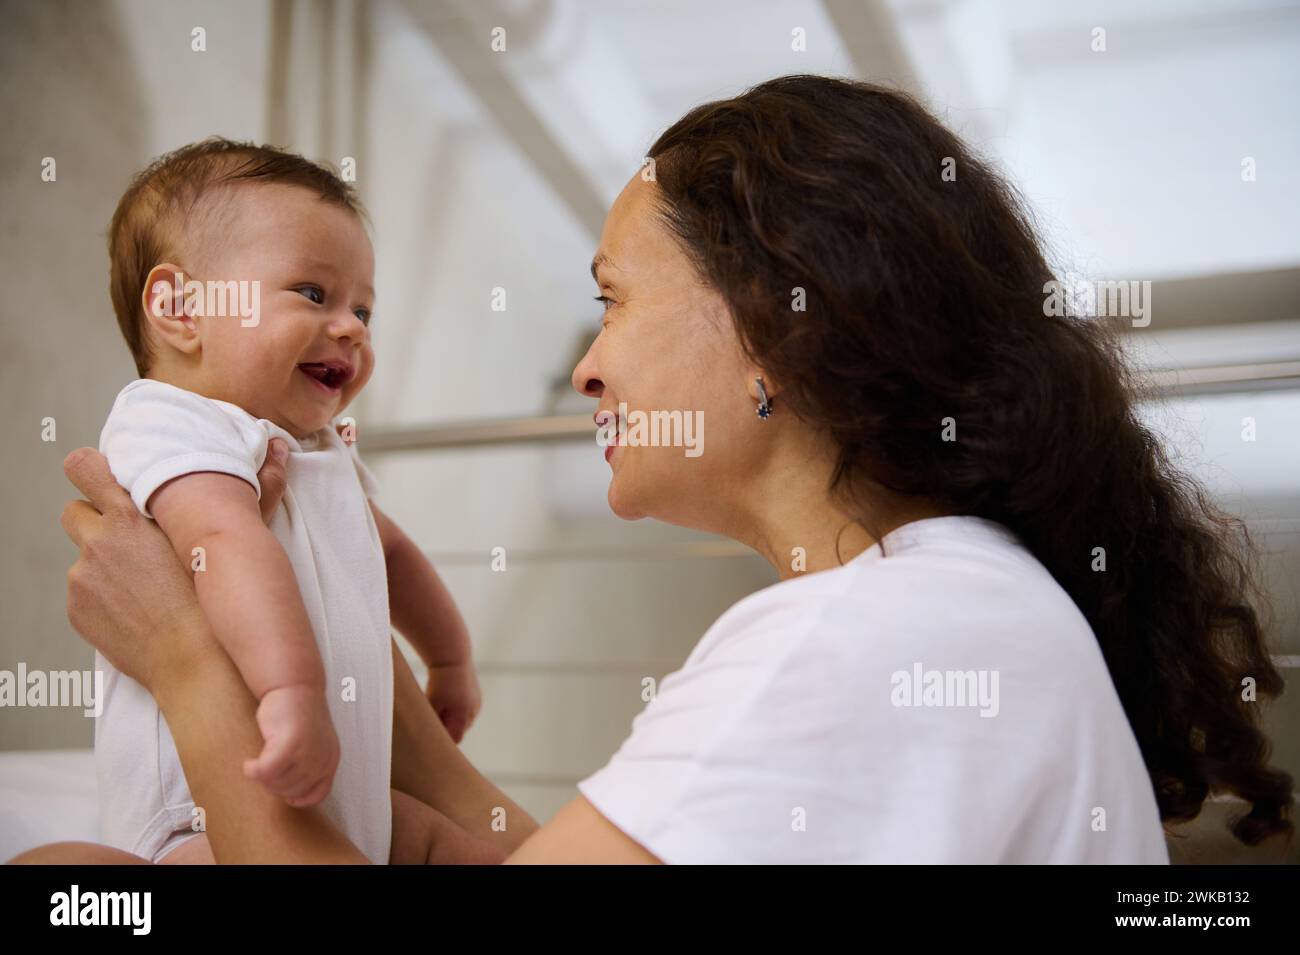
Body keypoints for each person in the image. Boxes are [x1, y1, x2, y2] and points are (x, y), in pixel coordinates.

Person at [14, 75, 1291, 864]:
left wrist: (186, 664)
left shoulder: (855, 642)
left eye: (612, 302)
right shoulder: (952, 602)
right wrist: (399, 718)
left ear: (772, 324)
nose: (585, 368)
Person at [88, 139, 479, 864]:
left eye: (364, 307)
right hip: (202, 811)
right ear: (180, 309)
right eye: (313, 293)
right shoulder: (171, 419)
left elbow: (386, 548)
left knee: (458, 848)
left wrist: (449, 658)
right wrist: (292, 687)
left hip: (338, 801)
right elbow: (225, 538)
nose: (354, 327)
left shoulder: (319, 445)